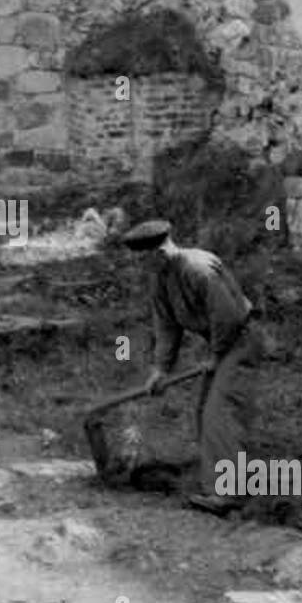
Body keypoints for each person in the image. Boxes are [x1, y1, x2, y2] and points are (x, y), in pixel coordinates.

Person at [118, 219, 264, 514]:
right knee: (204, 412)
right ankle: (226, 479)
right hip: (220, 343)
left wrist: (216, 354)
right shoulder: (160, 278)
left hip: (240, 341)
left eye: (141, 262)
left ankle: (230, 495)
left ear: (157, 255)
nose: (139, 269)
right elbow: (167, 326)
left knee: (219, 413)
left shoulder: (199, 269)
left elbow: (229, 317)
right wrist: (160, 369)